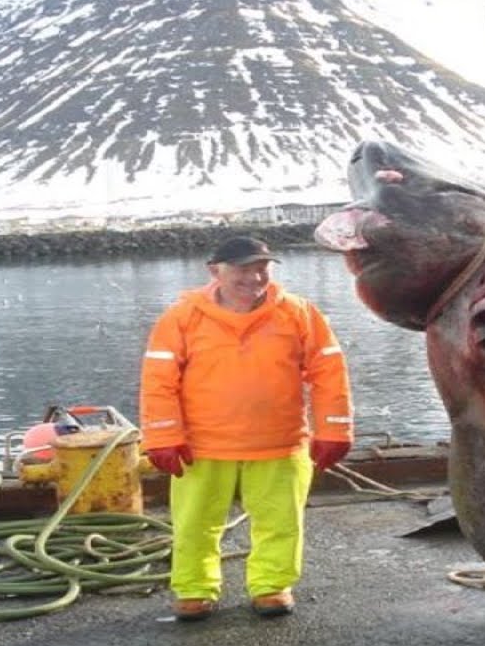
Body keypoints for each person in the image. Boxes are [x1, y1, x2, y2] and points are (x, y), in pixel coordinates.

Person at [139, 236, 354, 621]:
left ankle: (271, 586)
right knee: (195, 524)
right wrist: (163, 436)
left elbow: (328, 372)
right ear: (215, 271)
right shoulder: (181, 317)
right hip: (201, 446)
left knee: (280, 521)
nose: (254, 276)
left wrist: (334, 430)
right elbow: (159, 380)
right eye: (243, 268)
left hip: (280, 442)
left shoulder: (299, 313)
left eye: (262, 267)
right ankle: (194, 590)